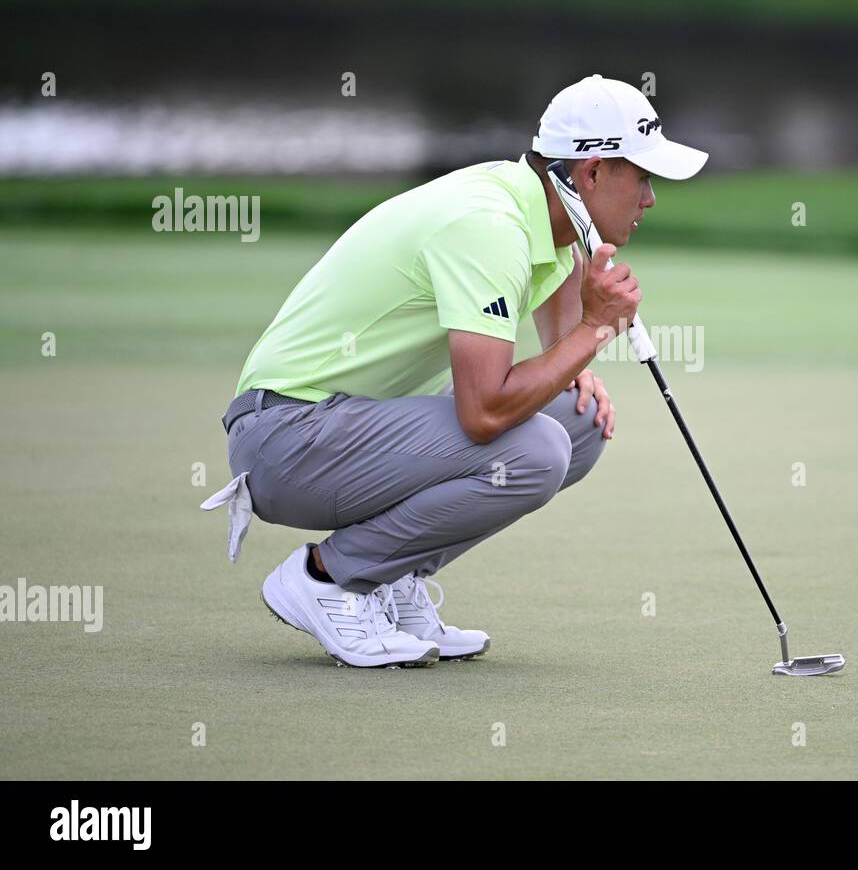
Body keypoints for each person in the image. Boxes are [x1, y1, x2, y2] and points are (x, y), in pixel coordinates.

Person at [201, 74, 708, 667]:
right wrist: (593, 332)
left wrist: (572, 349)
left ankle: (390, 578)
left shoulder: (538, 208)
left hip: (343, 428)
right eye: (642, 177)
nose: (650, 198)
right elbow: (484, 410)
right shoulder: (489, 227)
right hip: (284, 438)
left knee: (578, 419)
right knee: (537, 449)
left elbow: (562, 286)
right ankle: (326, 579)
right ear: (591, 173)